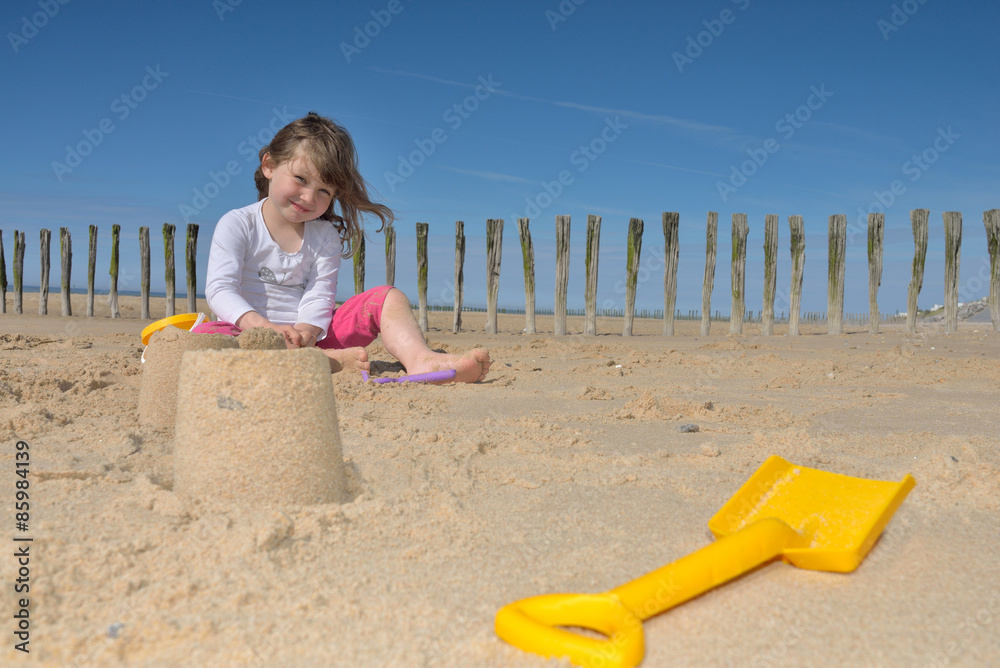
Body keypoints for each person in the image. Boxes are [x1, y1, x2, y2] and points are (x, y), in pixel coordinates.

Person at [193, 111, 490, 383]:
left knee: (387, 298)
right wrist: (262, 328)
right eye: (300, 179)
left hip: (311, 337)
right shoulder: (238, 223)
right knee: (203, 337)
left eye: (323, 190)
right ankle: (320, 362)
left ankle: (419, 359)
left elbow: (320, 294)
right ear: (269, 165)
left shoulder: (324, 236)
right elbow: (221, 290)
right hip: (247, 333)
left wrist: (307, 331)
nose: (309, 197)